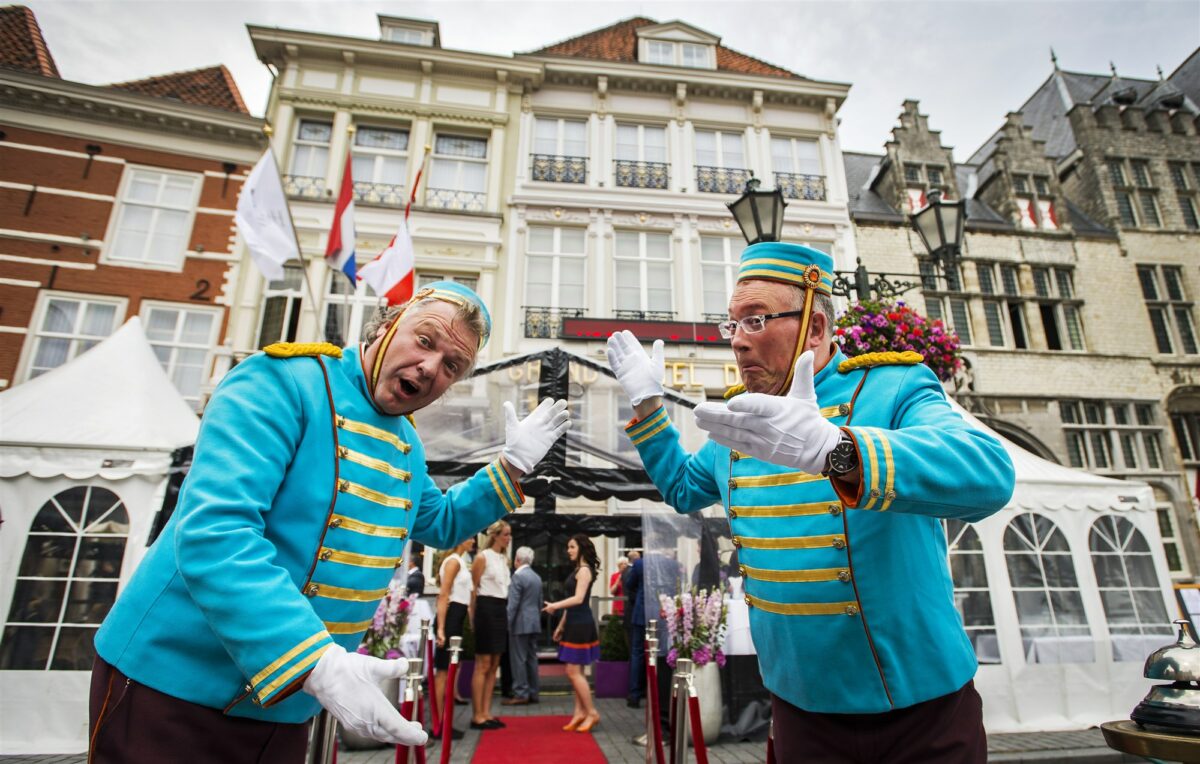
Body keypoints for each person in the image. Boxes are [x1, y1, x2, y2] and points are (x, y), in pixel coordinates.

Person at [88, 282, 570, 763]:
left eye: (451, 366)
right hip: (175, 679)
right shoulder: (282, 382)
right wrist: (315, 663)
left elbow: (437, 522)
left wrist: (511, 467)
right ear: (385, 325)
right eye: (425, 340)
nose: (430, 367)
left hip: (289, 702)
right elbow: (216, 533)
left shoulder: (407, 441)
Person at [606, 243, 1016, 763]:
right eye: (731, 325)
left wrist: (837, 450)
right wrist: (648, 403)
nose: (737, 343)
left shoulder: (890, 386)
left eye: (755, 320)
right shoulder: (744, 420)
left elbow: (987, 475)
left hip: (920, 709)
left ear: (816, 329)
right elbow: (685, 488)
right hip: (801, 708)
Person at [544, 534, 602, 733]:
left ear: (581, 548)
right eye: (568, 547)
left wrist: (555, 606)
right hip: (574, 623)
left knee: (573, 672)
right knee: (577, 672)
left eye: (572, 547)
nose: (568, 550)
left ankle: (592, 712)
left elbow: (578, 599)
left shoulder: (584, 570)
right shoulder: (579, 569)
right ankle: (579, 713)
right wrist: (561, 625)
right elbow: (573, 602)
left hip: (581, 624)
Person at [469, 520, 512, 729]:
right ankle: (477, 714)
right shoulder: (482, 557)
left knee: (495, 664)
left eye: (509, 534)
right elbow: (473, 589)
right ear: (494, 535)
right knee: (483, 664)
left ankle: (486, 712)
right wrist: (472, 618)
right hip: (486, 609)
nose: (508, 538)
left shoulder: (504, 559)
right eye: (505, 534)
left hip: (501, 609)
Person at [433, 537, 475, 725]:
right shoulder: (453, 562)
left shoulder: (460, 561)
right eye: (471, 536)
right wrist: (441, 628)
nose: (473, 540)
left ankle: (444, 720)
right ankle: (438, 721)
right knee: (443, 671)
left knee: (451, 668)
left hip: (457, 617)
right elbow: (444, 594)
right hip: (450, 618)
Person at [504, 546, 543, 706]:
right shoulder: (536, 577)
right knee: (532, 658)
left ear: (517, 560)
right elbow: (540, 602)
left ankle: (521, 692)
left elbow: (513, 605)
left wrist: (507, 624)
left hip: (520, 623)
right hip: (534, 622)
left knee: (518, 659)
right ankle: (534, 691)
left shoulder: (518, 577)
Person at [622, 551, 645, 709]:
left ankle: (635, 695)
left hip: (641, 613)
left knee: (637, 653)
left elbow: (629, 584)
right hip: (662, 613)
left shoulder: (639, 564)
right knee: (661, 653)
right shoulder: (671, 564)